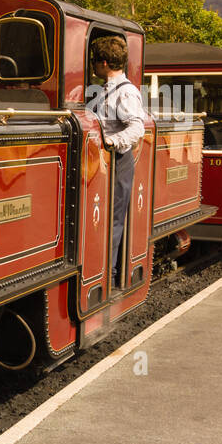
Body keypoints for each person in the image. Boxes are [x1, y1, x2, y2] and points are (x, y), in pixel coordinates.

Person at [89, 36, 146, 283]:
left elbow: (137, 128)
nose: (92, 66)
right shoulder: (106, 89)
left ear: (103, 63)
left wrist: (112, 141)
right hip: (106, 160)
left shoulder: (125, 93)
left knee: (113, 218)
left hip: (117, 160)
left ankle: (109, 274)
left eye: (94, 61)